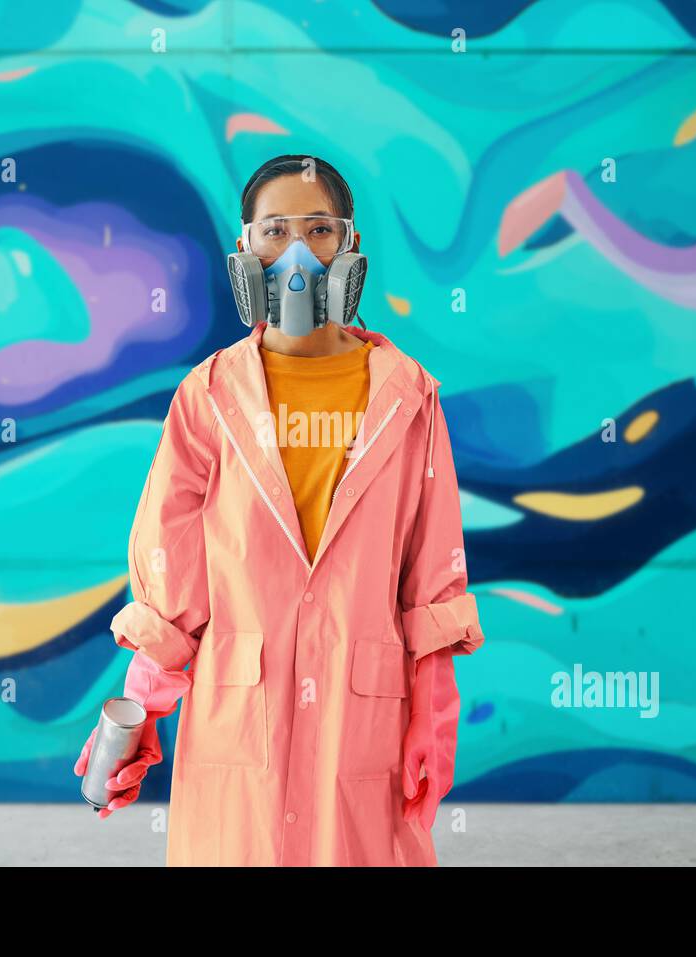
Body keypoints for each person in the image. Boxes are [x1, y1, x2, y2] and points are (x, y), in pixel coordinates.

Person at [74, 154, 484, 866]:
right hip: (239, 711)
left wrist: (433, 710)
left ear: (349, 247)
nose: (297, 253)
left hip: (364, 716)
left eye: (319, 228)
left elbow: (431, 570)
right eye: (275, 231)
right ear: (246, 251)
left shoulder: (409, 395)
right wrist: (142, 703)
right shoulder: (207, 397)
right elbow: (176, 571)